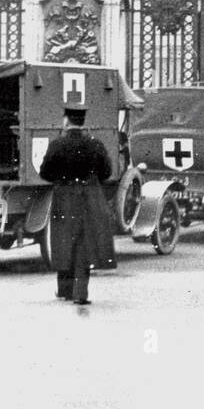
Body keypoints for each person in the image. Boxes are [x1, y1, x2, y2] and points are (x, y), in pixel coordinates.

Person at [38, 107, 116, 306]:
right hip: (90, 196)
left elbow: (45, 173)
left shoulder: (57, 145)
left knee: (63, 240)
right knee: (84, 243)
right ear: (83, 122)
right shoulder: (94, 144)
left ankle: (64, 290)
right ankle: (80, 292)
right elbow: (106, 172)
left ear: (66, 121)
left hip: (64, 196)